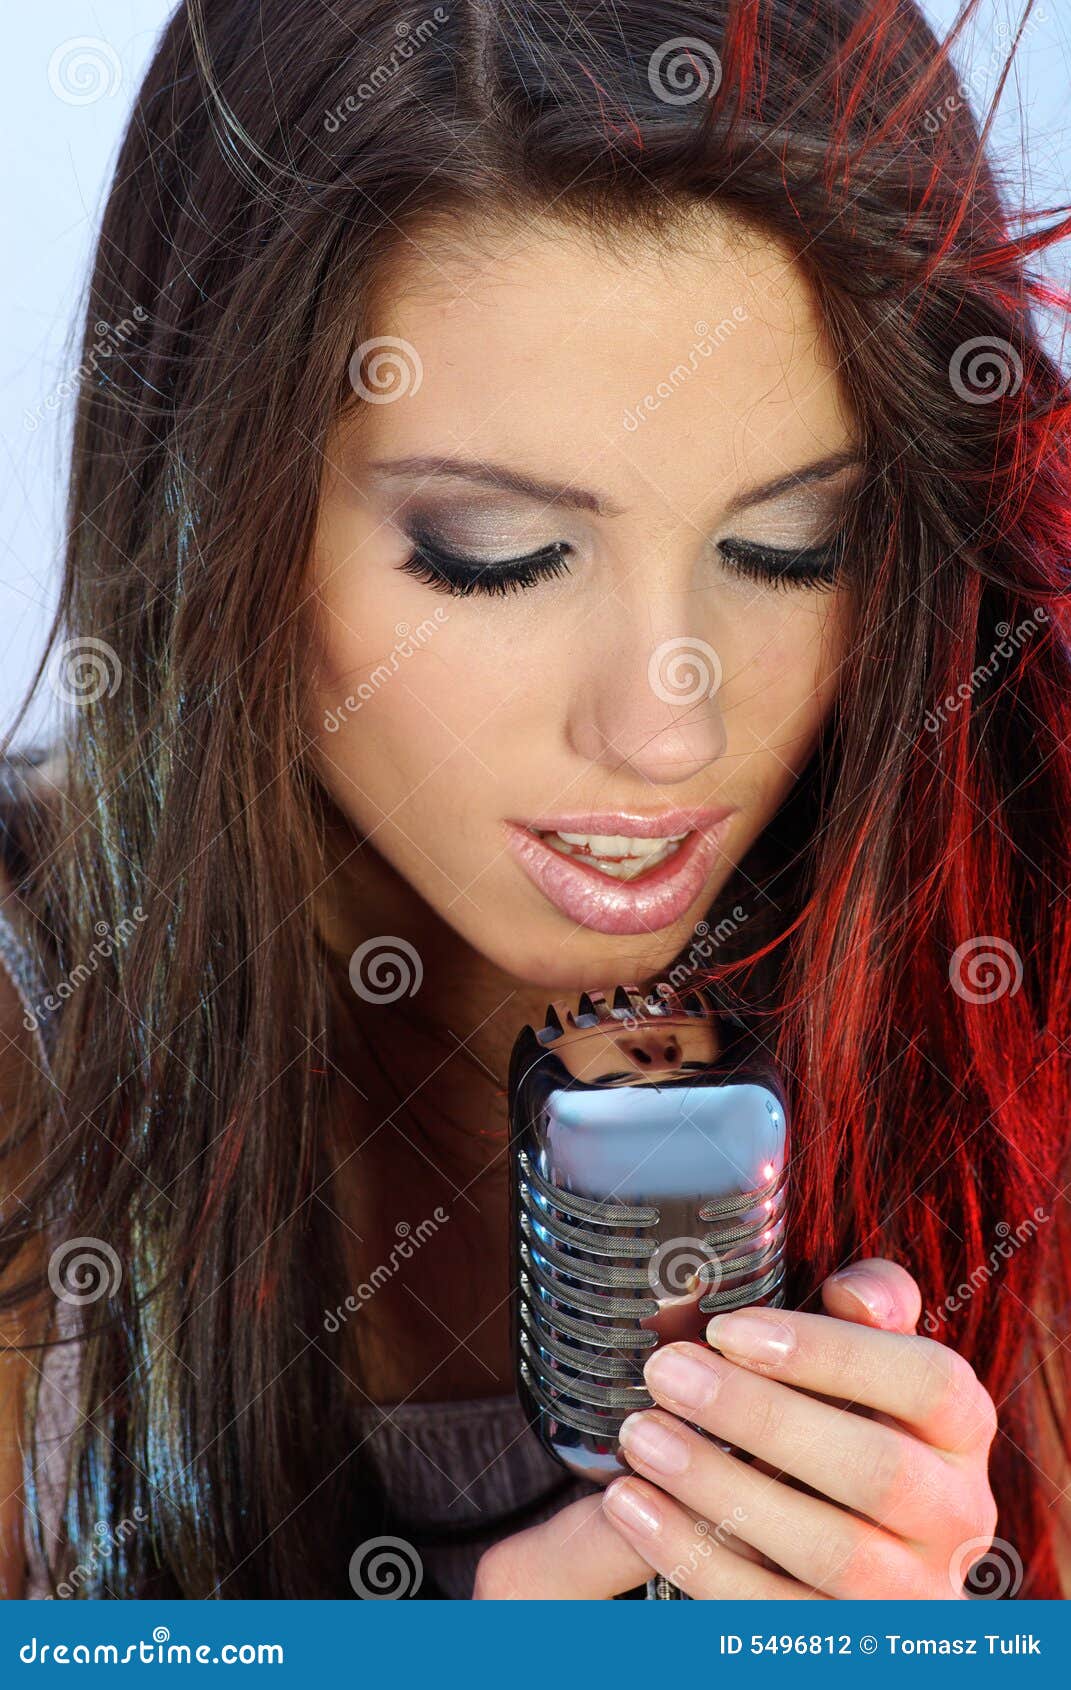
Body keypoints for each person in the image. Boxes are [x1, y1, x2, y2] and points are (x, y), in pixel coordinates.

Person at [1, 0, 1069, 1599]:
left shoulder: (1015, 973)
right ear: (216, 509)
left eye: (792, 548)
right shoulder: (36, 1050)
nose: (665, 727)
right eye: (492, 554)